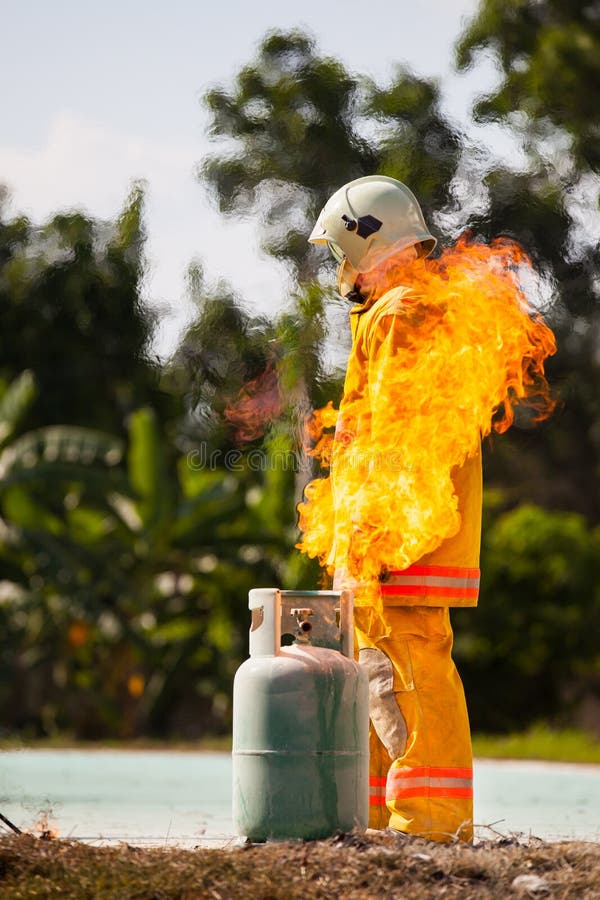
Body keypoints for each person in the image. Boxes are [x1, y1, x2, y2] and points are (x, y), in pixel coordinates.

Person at [307, 175, 482, 843]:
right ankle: (386, 816)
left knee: (405, 676)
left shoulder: (402, 313)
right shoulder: (397, 312)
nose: (339, 267)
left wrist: (374, 534)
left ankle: (429, 822)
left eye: (339, 250)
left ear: (363, 238)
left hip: (397, 539)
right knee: (379, 680)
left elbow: (401, 436)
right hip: (385, 535)